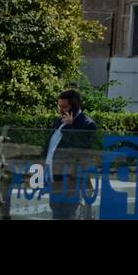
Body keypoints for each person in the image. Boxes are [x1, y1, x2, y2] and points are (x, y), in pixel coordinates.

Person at [41, 89, 97, 220]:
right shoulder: (58, 121)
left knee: (68, 211)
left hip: (71, 177)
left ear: (74, 106)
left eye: (64, 107)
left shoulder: (87, 124)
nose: (60, 110)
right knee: (56, 209)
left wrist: (69, 127)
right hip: (54, 174)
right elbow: (50, 146)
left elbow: (81, 149)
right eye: (59, 106)